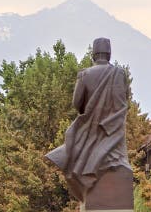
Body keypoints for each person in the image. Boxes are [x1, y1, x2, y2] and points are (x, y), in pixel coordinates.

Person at [46, 37, 131, 201]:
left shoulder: (84, 75)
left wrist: (91, 113)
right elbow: (123, 103)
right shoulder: (118, 74)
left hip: (91, 128)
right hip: (113, 130)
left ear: (93, 55)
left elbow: (77, 104)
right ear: (109, 54)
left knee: (73, 148)